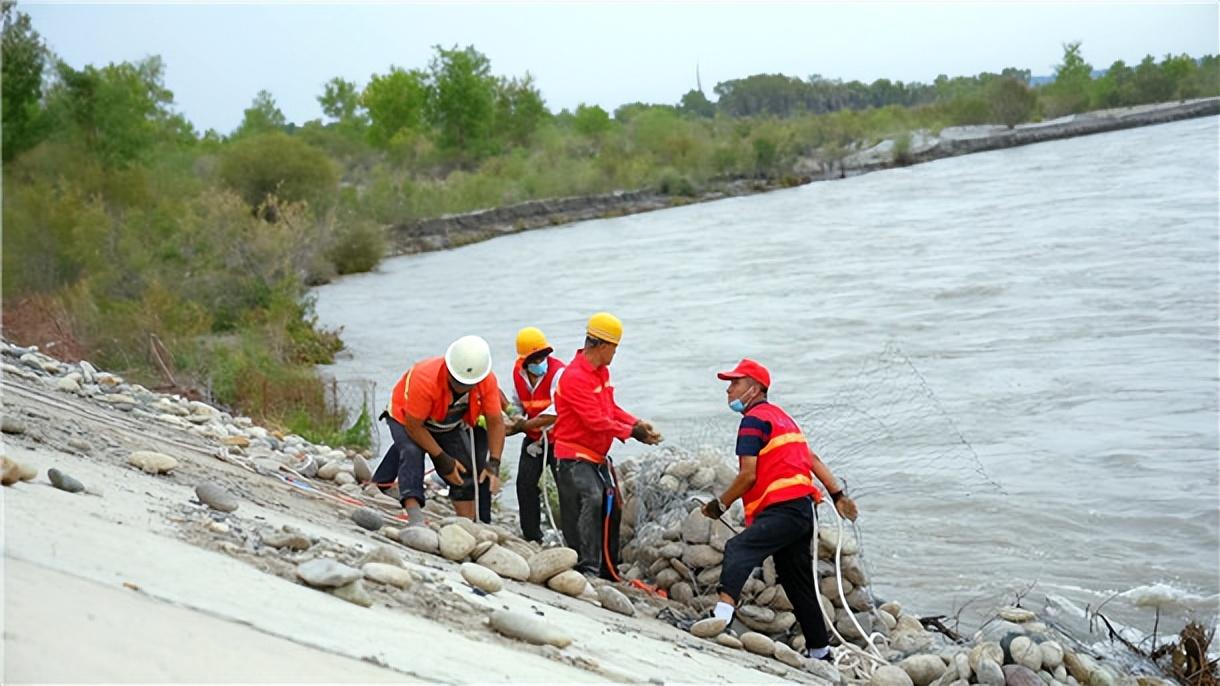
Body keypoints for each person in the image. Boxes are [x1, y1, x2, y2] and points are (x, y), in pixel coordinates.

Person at [701, 358, 858, 661]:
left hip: (783, 510)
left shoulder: (752, 421)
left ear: (755, 388)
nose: (729, 390)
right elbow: (812, 459)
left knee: (738, 548)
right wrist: (838, 495)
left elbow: (748, 476)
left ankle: (720, 617)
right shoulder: (783, 419)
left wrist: (720, 504)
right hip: (802, 512)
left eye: (735, 383)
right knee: (796, 579)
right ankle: (819, 651)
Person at [552, 312, 662, 577]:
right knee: (593, 499)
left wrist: (635, 423)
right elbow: (595, 421)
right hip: (573, 456)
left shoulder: (602, 373)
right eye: (614, 348)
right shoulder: (575, 376)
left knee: (614, 506)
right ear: (602, 345)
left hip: (596, 457)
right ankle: (587, 566)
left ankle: (608, 569)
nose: (615, 354)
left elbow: (610, 408)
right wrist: (632, 432)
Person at [372, 335, 506, 525]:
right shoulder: (425, 377)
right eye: (457, 382)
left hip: (445, 422)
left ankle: (468, 524)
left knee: (465, 469)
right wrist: (442, 459)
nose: (461, 388)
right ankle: (413, 512)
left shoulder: (486, 380)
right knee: (411, 451)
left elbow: (495, 421)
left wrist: (494, 462)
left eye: (467, 385)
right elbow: (414, 427)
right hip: (405, 417)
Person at [506, 326, 567, 543]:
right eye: (535, 357)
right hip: (534, 440)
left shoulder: (559, 373)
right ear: (524, 360)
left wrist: (521, 426)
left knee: (566, 491)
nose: (541, 361)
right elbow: (516, 403)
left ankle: (572, 539)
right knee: (525, 484)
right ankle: (532, 536)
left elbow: (556, 411)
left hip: (559, 440)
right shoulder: (518, 373)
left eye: (543, 356)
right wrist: (515, 418)